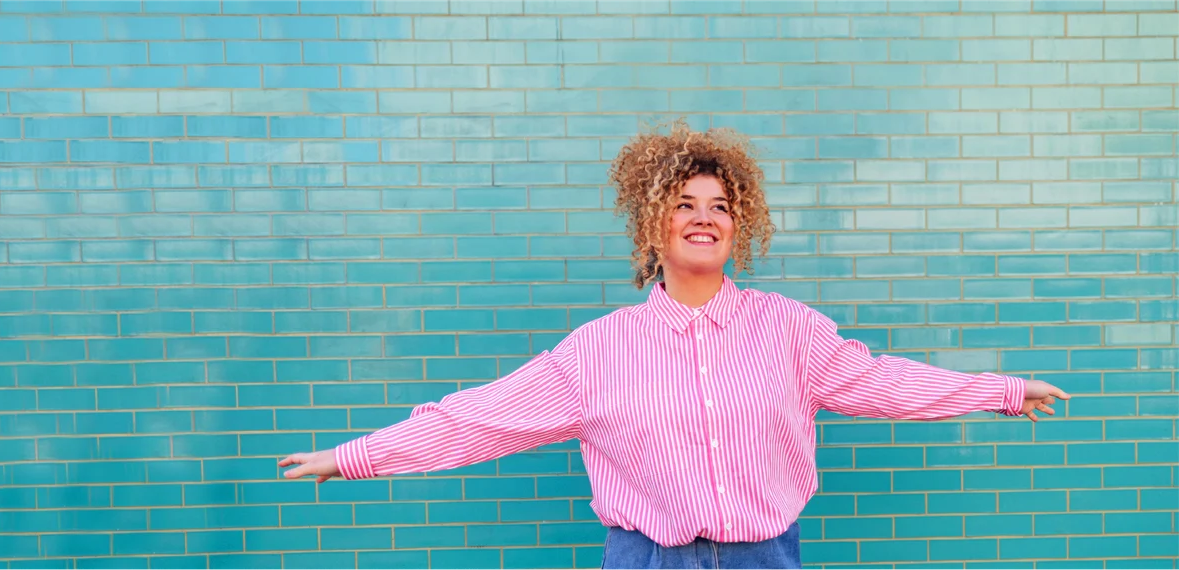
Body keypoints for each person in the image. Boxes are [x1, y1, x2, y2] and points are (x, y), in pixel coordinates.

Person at [279, 120, 1070, 569]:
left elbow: (885, 383)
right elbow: (475, 420)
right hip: (647, 561)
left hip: (767, 557)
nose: (704, 216)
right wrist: (353, 456)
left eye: (720, 206)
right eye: (685, 203)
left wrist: (1000, 390)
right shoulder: (595, 352)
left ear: (738, 224)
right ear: (654, 222)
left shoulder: (789, 329)